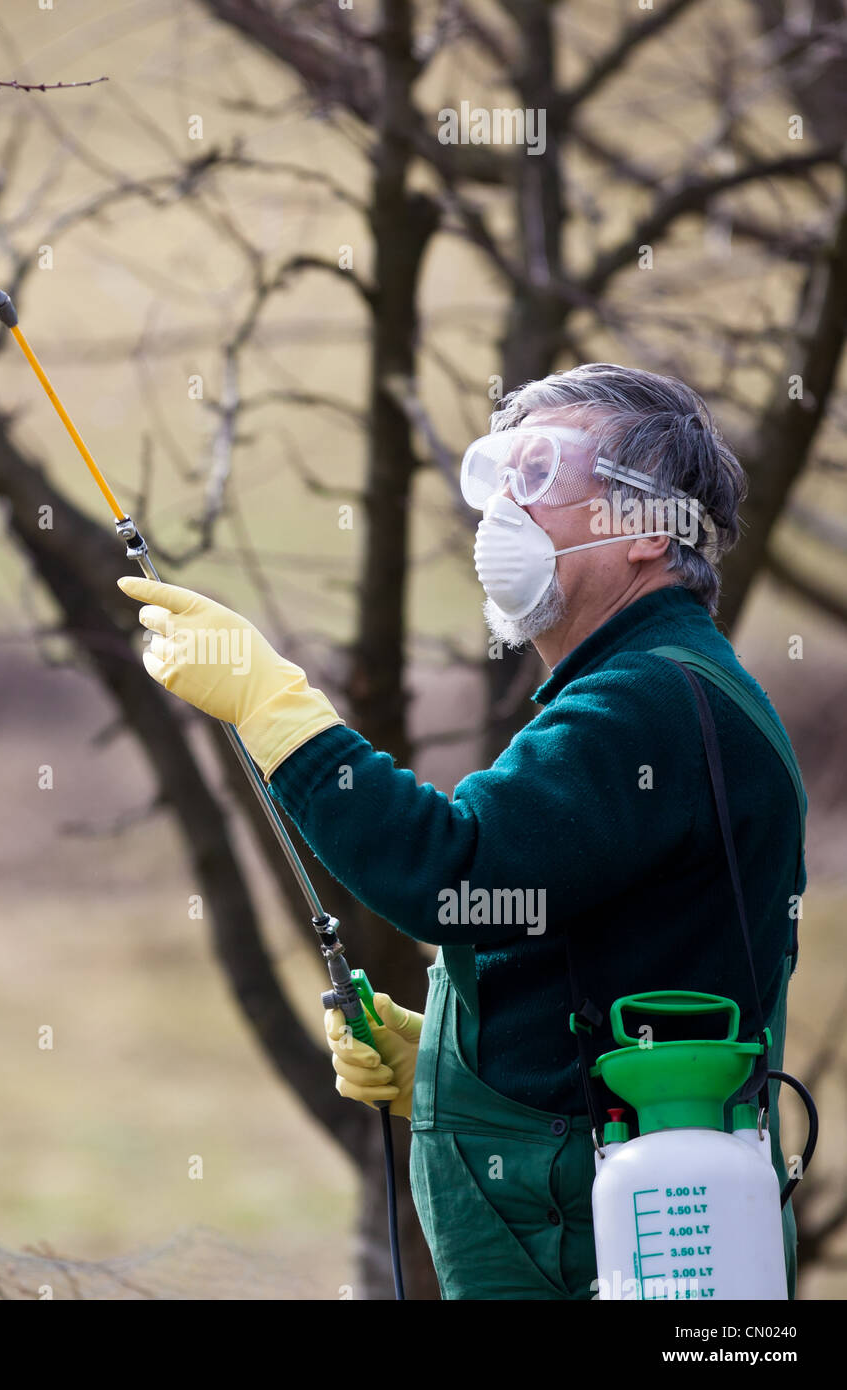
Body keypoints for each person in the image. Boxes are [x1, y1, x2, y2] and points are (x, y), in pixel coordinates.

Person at [117, 363, 806, 1300]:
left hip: (619, 1240)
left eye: (540, 479)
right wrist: (442, 1063)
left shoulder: (648, 703)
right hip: (622, 1221)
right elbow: (580, 933)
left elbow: (458, 876)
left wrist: (272, 706)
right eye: (497, 478)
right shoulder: (655, 686)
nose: (500, 517)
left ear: (648, 533)